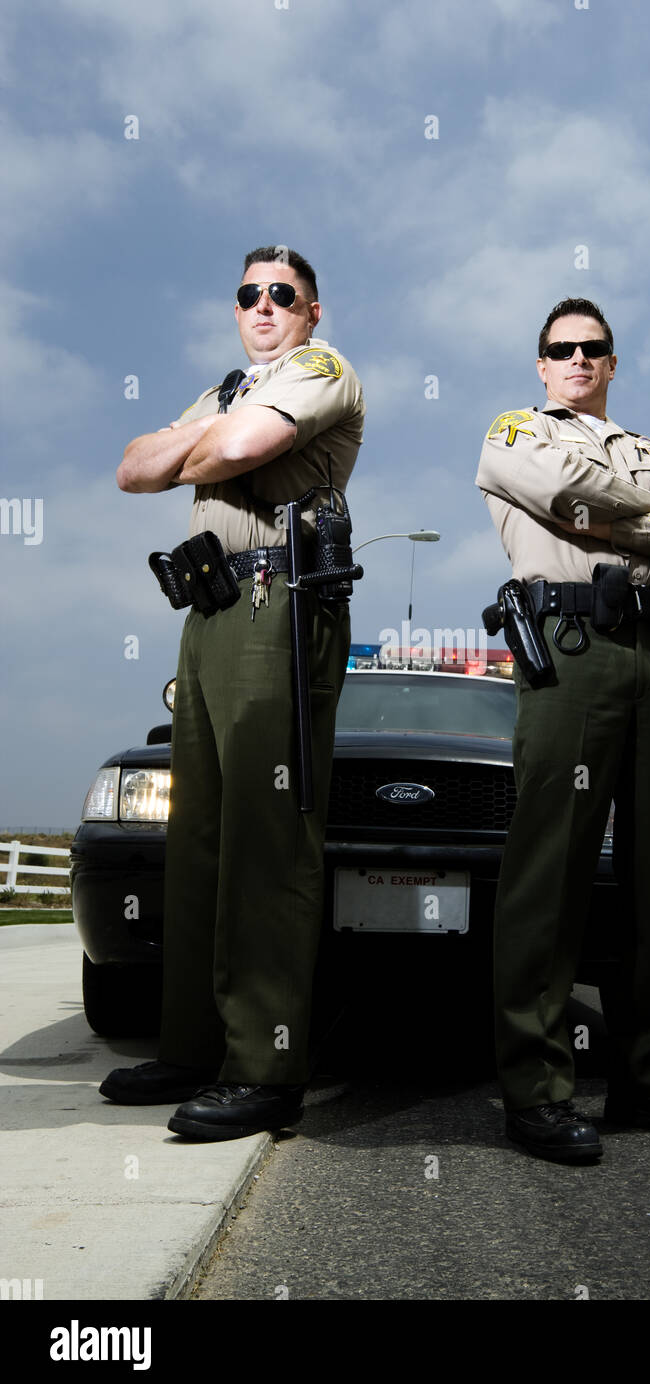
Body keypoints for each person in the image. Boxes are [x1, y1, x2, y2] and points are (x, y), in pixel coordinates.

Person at [100, 246, 365, 1140]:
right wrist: (199, 442)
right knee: (199, 839)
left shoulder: (319, 370)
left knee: (266, 838)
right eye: (248, 293)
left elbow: (251, 443)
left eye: (281, 294)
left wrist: (197, 449)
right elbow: (134, 467)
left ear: (312, 310)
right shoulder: (221, 391)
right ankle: (193, 1047)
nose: (262, 305)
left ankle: (265, 1067)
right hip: (206, 612)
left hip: (276, 602)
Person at [476, 296, 650, 1164]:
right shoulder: (515, 429)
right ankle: (539, 1093)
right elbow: (556, 492)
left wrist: (610, 514)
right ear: (542, 364)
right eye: (562, 350)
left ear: (613, 363)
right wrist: (647, 518)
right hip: (572, 651)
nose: (578, 361)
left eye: (594, 349)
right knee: (549, 871)